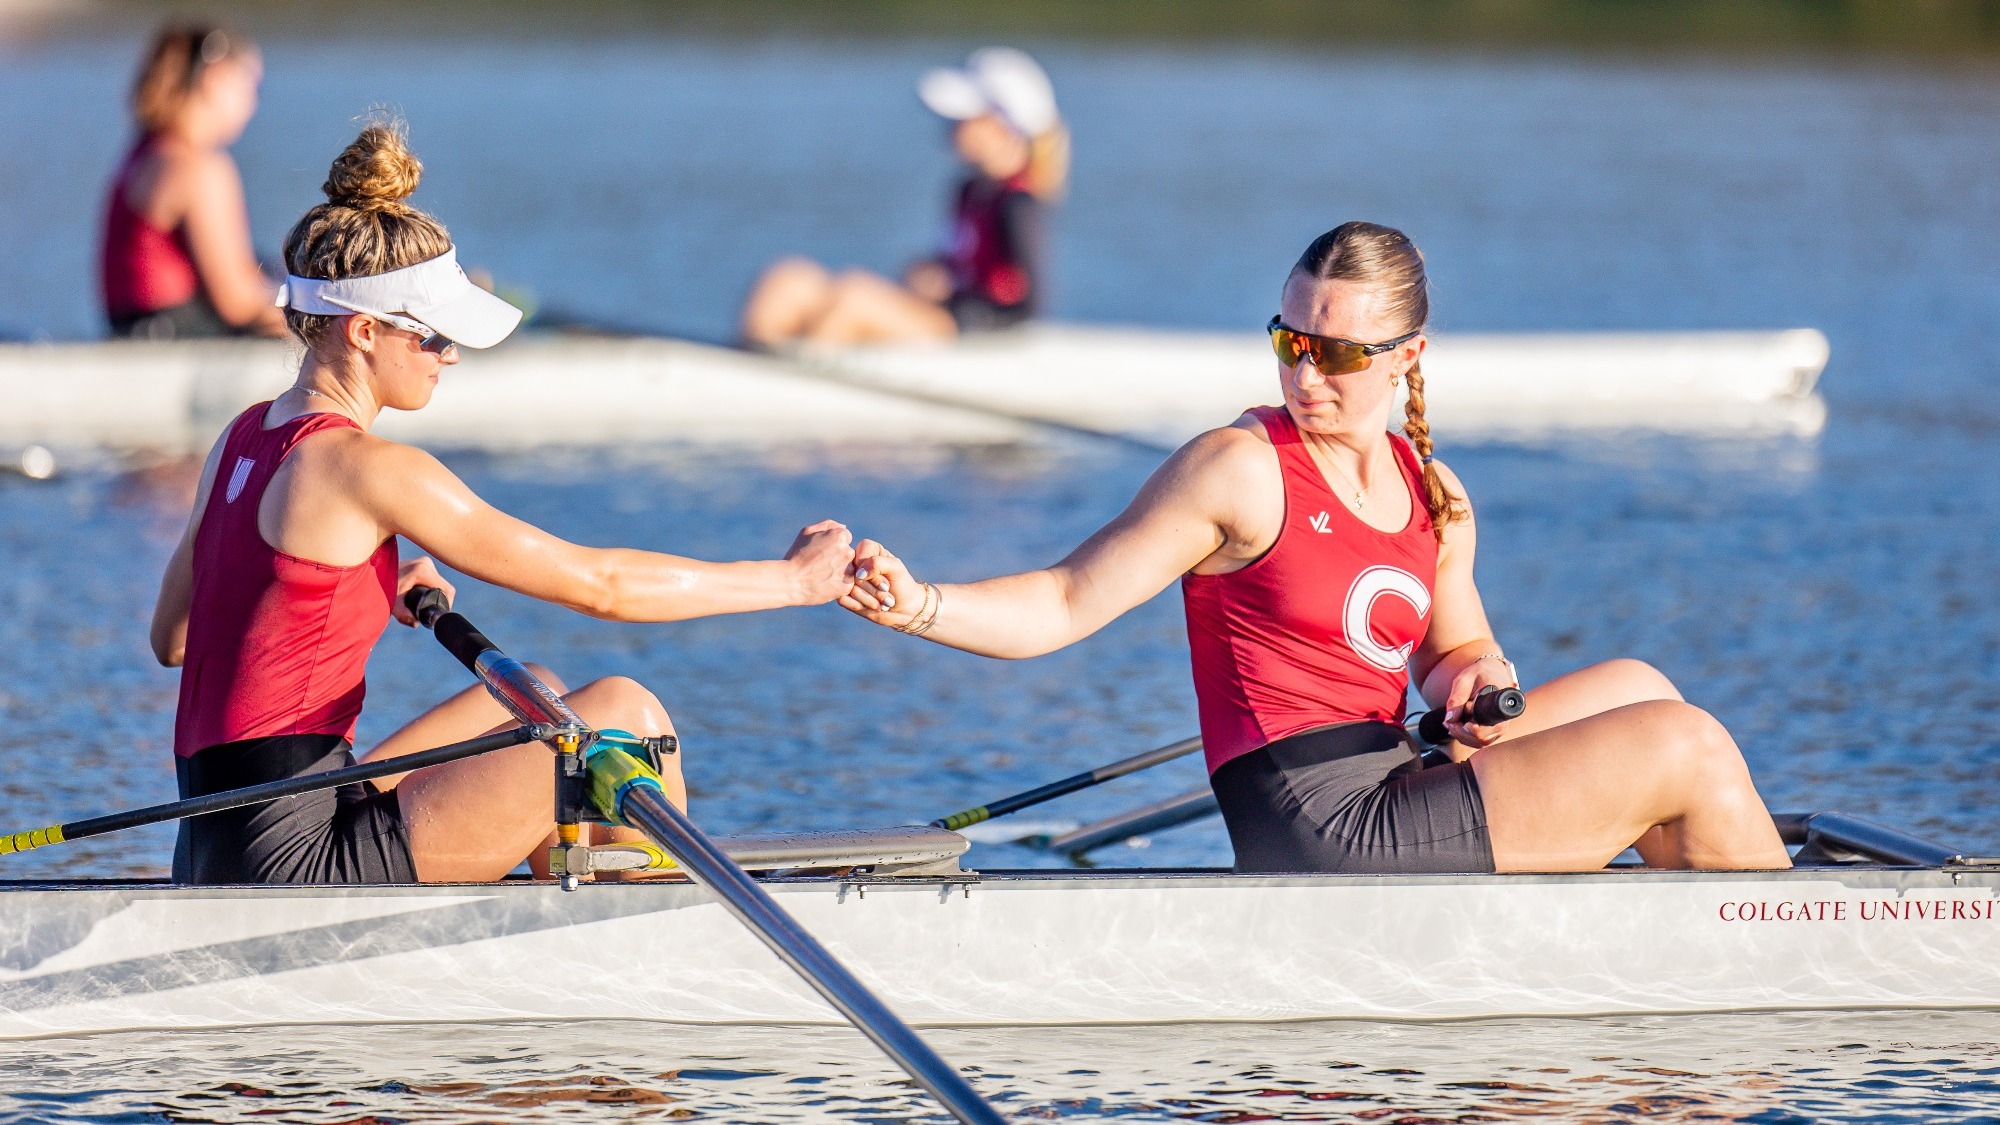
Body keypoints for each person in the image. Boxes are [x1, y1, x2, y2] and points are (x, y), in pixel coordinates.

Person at [838, 222, 1792, 875]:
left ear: (1407, 356)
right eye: (1288, 340)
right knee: (1687, 746)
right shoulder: (1238, 469)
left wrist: (1475, 678)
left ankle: (1693, 921)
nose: (1305, 373)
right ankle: (1777, 942)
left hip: (1397, 772)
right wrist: (920, 603)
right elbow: (1060, 602)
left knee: (1640, 688)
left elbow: (1457, 652)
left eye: (1333, 353)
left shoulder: (1437, 493)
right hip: (1316, 820)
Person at [150, 120, 856, 885]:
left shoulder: (243, 437)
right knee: (624, 713)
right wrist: (792, 581)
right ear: (363, 332)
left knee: (533, 697)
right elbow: (601, 585)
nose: (450, 355)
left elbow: (175, 637)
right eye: (432, 337)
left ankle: (585, 900)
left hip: (215, 836)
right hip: (293, 860)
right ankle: (662, 918)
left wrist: (358, 583)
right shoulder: (368, 468)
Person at [740, 47, 1067, 348]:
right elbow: (957, 265)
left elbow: (1029, 308)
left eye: (963, 118)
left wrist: (953, 295)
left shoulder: (1018, 205)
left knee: (854, 299)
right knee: (787, 280)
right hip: (939, 314)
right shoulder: (967, 191)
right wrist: (928, 274)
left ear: (1006, 128)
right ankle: (753, 367)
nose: (950, 126)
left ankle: (805, 376)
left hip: (967, 331)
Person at [100, 23, 287, 340]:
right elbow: (238, 303)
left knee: (266, 268)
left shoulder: (145, 150)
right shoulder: (199, 169)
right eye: (250, 88)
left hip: (133, 329)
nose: (252, 106)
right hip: (172, 337)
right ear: (214, 79)